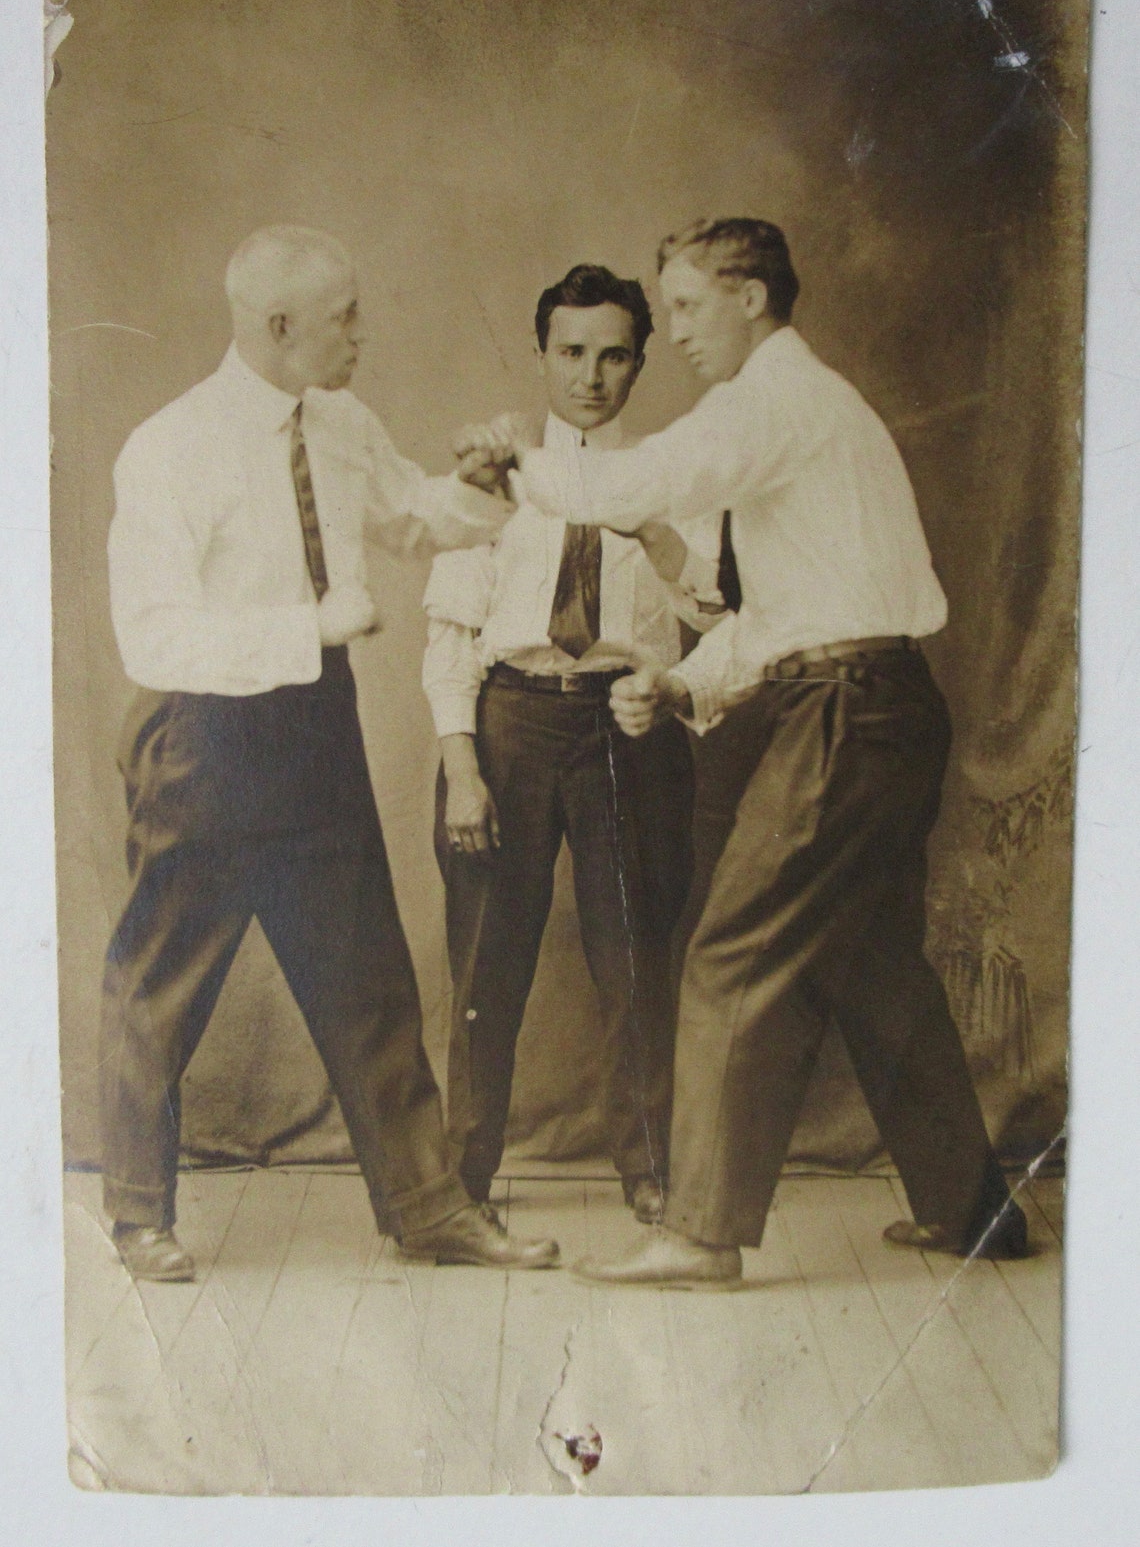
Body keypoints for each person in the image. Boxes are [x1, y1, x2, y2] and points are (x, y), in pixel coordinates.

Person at [466, 217, 1027, 1286]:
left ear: (753, 298)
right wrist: (684, 681)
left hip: (847, 712)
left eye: (684, 307)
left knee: (728, 954)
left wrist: (519, 462)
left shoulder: (775, 399)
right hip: (880, 699)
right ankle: (975, 1213)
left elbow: (630, 487)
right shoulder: (812, 413)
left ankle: (699, 1234)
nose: (673, 333)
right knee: (873, 968)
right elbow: (790, 614)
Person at [100, 225, 559, 1282]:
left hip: (314, 729)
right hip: (203, 738)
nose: (363, 331)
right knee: (159, 982)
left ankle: (429, 1211)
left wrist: (482, 482)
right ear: (277, 328)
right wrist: (311, 624)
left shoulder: (341, 422)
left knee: (369, 983)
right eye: (344, 316)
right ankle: (137, 1218)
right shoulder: (167, 446)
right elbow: (154, 637)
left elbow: (413, 519)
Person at [423, 264, 724, 1223]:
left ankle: (648, 1173)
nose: (591, 375)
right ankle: (464, 1179)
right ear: (544, 355)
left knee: (635, 953)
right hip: (510, 720)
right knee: (485, 959)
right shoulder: (497, 481)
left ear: (638, 364)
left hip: (627, 726)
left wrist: (664, 678)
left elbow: (718, 617)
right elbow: (453, 634)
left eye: (614, 355)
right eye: (572, 353)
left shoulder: (677, 481)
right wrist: (463, 768)